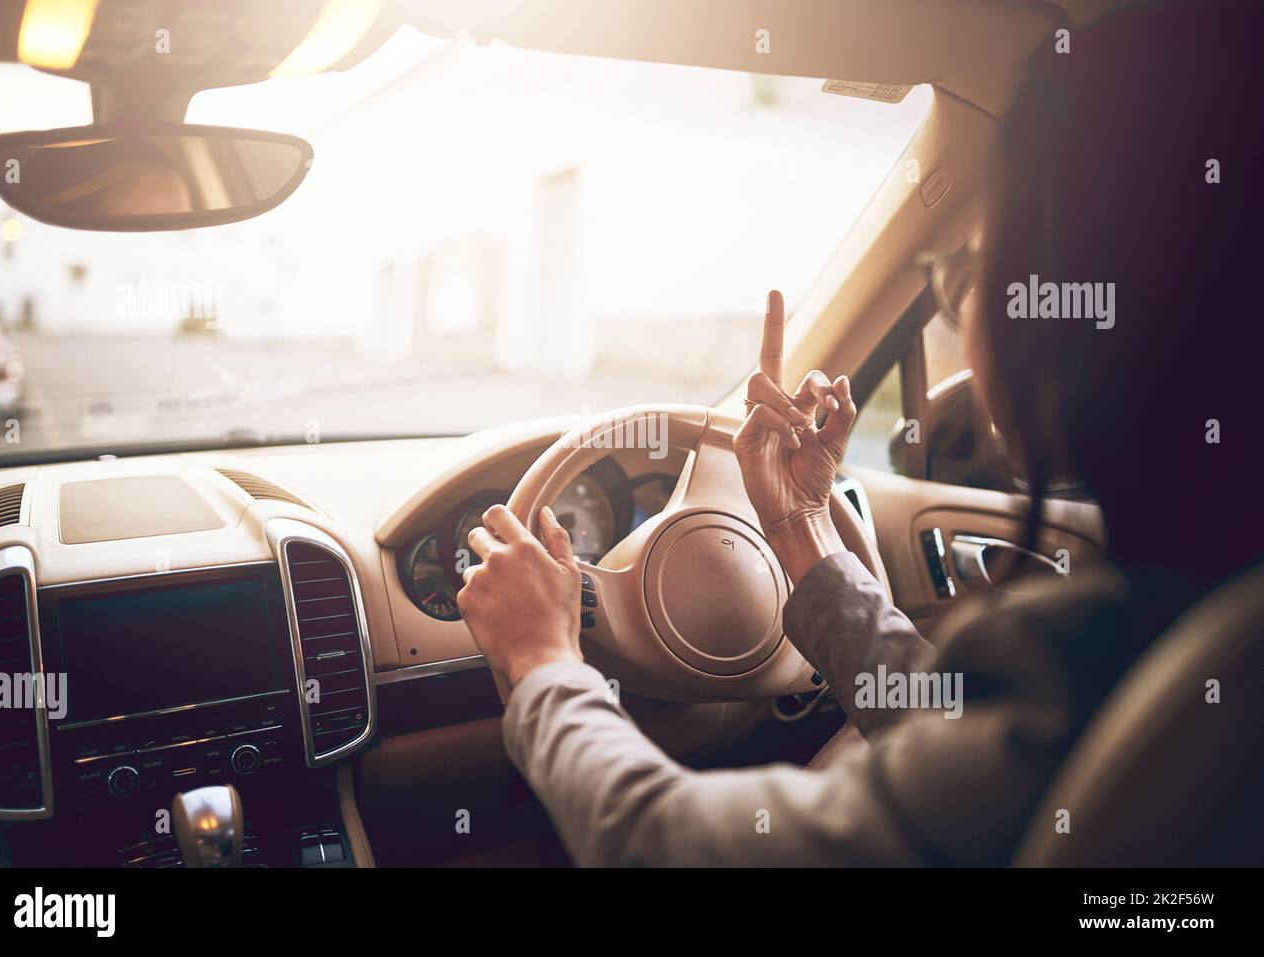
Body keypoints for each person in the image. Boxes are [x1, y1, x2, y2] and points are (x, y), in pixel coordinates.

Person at [455, 0, 1264, 866]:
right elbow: (948, 728)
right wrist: (800, 531)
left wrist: (544, 661)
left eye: (979, 260)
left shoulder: (1098, 671)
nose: (969, 296)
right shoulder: (1189, 634)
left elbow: (661, 841)